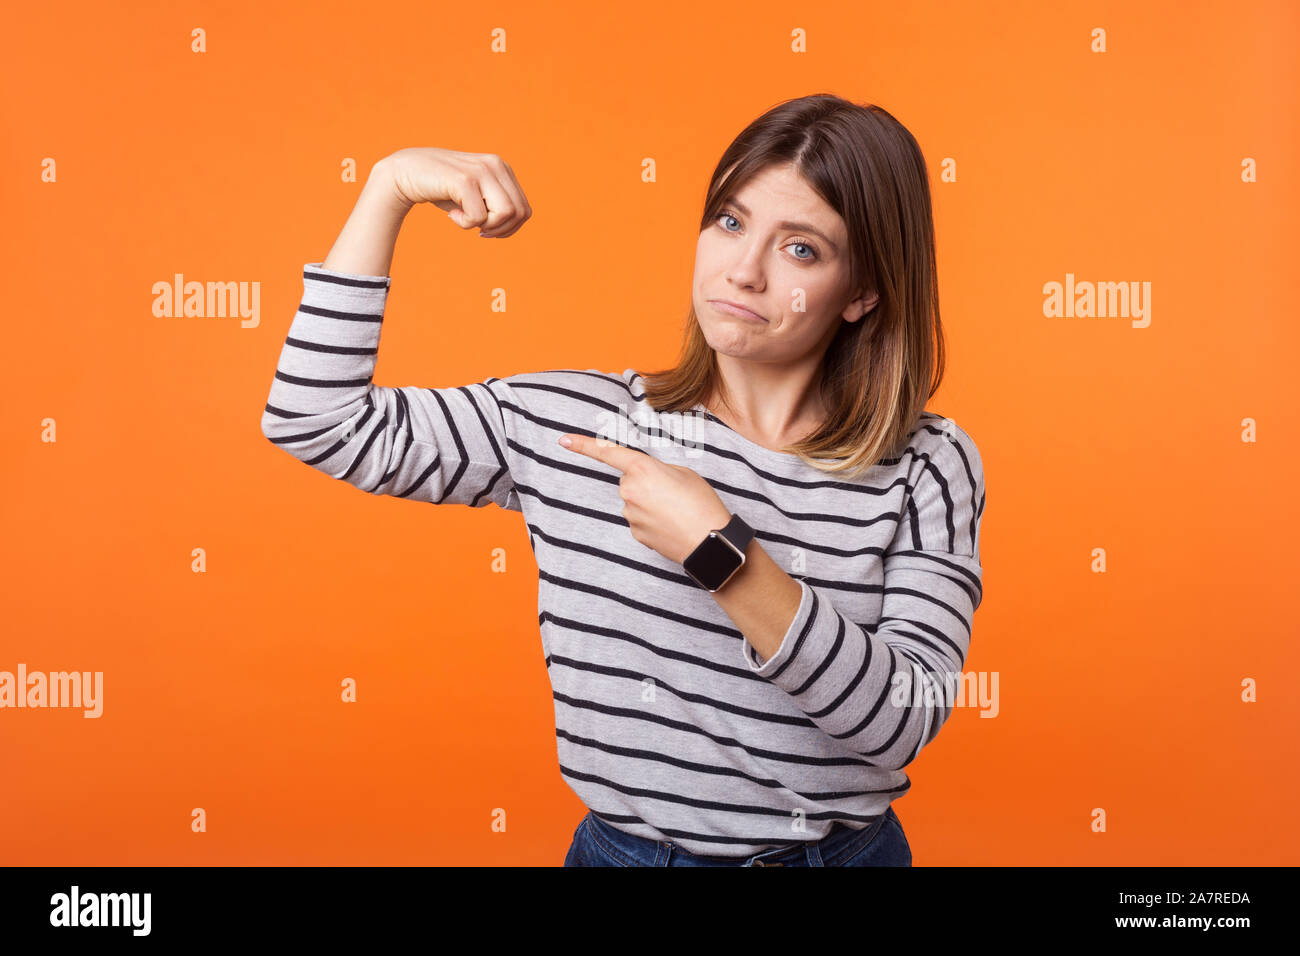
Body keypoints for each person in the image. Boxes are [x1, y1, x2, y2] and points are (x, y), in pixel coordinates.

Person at [261, 92, 985, 867]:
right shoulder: (575, 423)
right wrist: (387, 188)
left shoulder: (926, 463)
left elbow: (899, 720)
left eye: (800, 249)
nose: (742, 271)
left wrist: (723, 554)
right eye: (730, 222)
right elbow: (317, 419)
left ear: (864, 292)